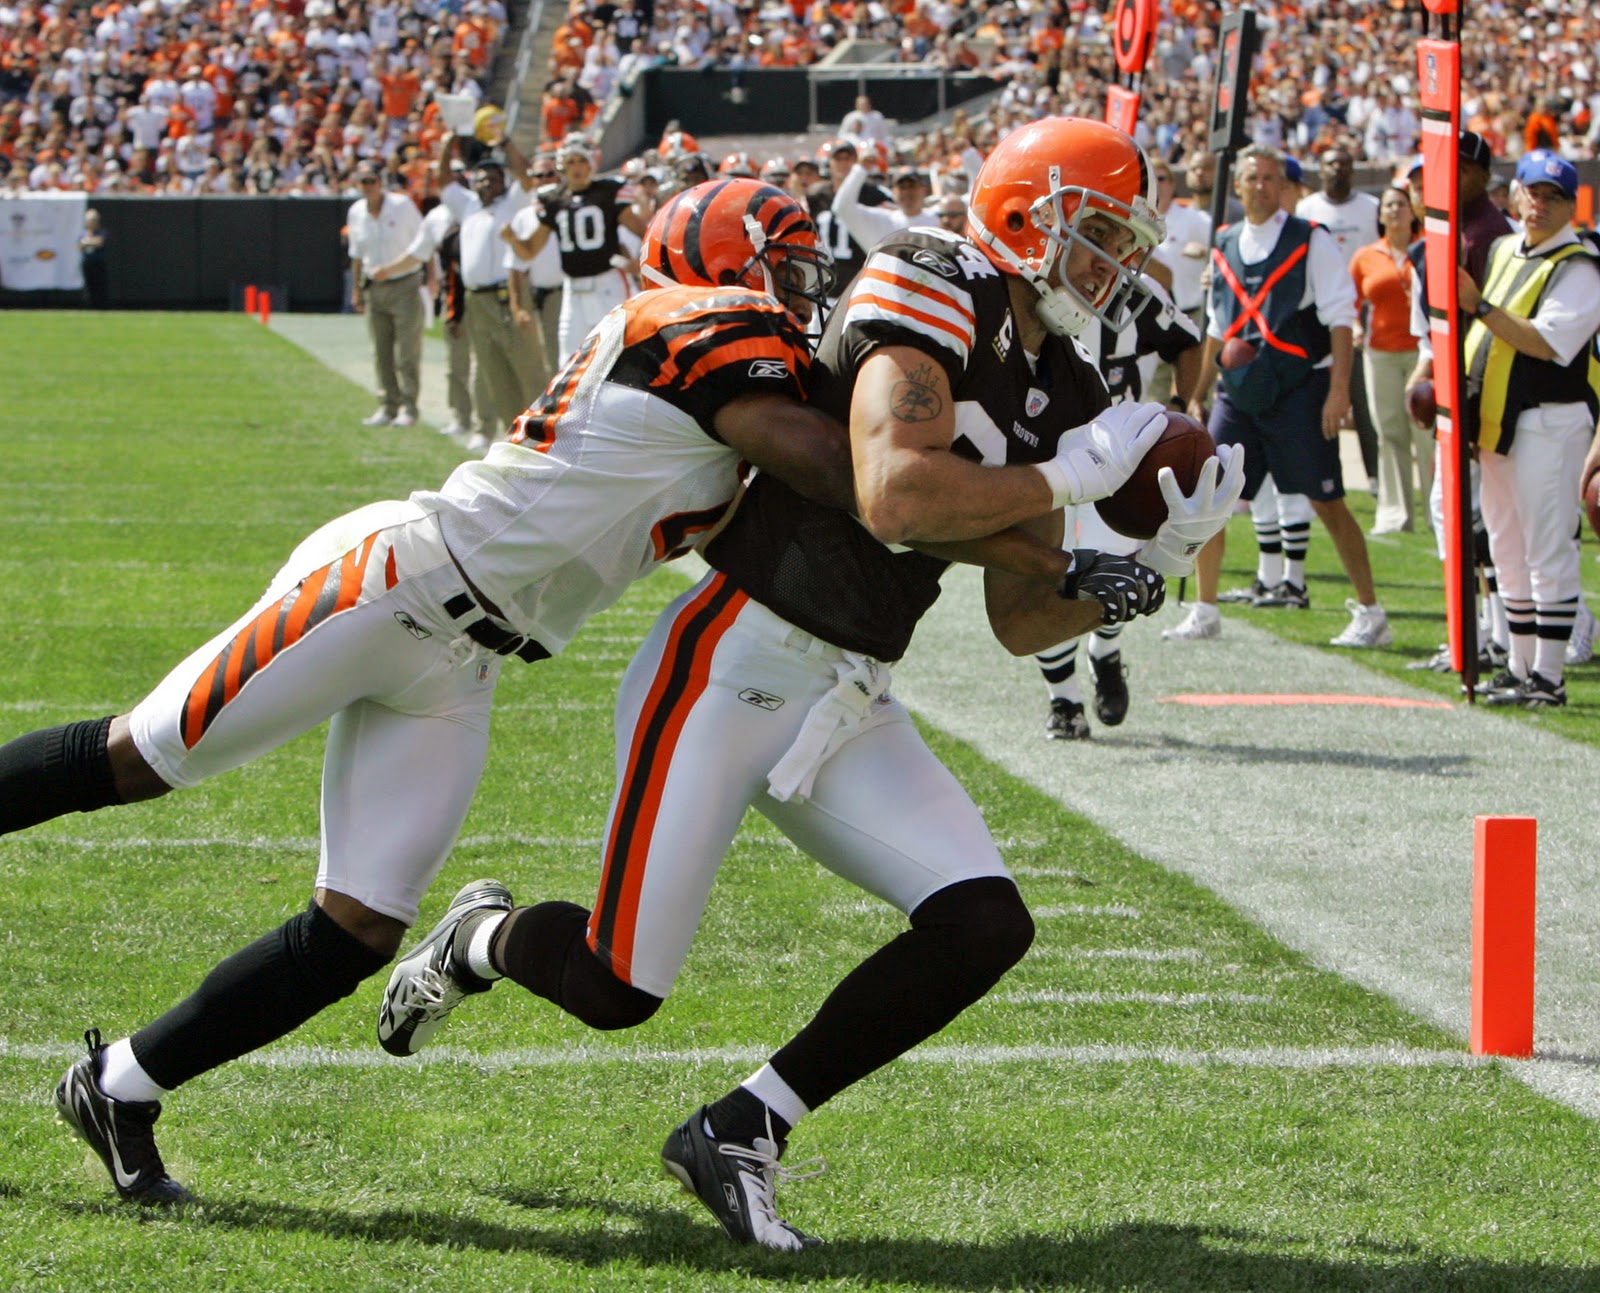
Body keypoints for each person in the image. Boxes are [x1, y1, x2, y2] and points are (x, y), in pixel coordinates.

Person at [376, 118, 1243, 1250]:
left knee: (982, 922)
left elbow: (1022, 621)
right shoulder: (931, 280)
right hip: (733, 658)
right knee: (615, 987)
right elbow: (892, 493)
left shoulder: (1065, 381)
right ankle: (479, 938)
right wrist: (1075, 476)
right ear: (1028, 213)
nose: (1118, 263)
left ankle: (742, 1127)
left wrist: (1153, 560)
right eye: (1103, 233)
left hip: (850, 689)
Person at [17, 179, 863, 1208]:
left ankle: (118, 1089)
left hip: (467, 659)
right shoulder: (693, 320)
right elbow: (836, 468)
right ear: (725, 264)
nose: (802, 289)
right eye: (786, 264)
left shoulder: (727, 392)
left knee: (357, 927)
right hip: (390, 585)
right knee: (140, 758)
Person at [1165, 144, 1390, 648]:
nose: (1262, 186)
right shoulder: (1225, 241)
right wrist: (1197, 393)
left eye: (1271, 178)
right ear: (1238, 186)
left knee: (1327, 500)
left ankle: (1372, 613)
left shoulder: (1311, 239)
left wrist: (1338, 391)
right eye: (1253, 178)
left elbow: (1340, 318)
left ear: (1286, 187)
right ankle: (1205, 610)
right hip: (1238, 392)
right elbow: (1218, 328)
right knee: (1209, 495)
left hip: (1299, 389)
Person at [1459, 150, 1600, 707]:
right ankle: (1519, 665)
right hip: (1497, 419)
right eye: (1532, 192)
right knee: (1505, 545)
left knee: (1547, 547)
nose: (1539, 204)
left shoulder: (1579, 265)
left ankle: (1549, 675)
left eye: (1553, 196)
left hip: (1550, 418)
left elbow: (1547, 343)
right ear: (1516, 193)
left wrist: (1480, 308)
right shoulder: (1504, 249)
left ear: (1571, 205)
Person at [1038, 272, 1205, 739]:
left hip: (1117, 465)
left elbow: (1188, 342)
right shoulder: (1030, 283)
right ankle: (1064, 699)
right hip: (1042, 456)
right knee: (1044, 578)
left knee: (1115, 573)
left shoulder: (1137, 291)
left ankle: (1105, 651)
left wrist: (1180, 407)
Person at [375, 137, 543, 453]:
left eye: (493, 179)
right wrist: (450, 141)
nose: (487, 184)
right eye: (481, 179)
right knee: (491, 368)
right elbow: (444, 181)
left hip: (508, 294)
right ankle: (511, 436)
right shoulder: (468, 207)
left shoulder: (513, 203)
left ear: (503, 182)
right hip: (475, 297)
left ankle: (542, 432)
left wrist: (506, 143)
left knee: (526, 366)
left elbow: (524, 175)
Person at [504, 137, 647, 366]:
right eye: (571, 161)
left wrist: (640, 263)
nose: (576, 167)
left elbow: (645, 232)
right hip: (573, 289)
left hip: (608, 282)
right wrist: (512, 239)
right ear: (562, 166)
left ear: (592, 164)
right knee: (569, 360)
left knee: (621, 351)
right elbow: (530, 252)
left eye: (582, 160)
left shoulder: (609, 192)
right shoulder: (553, 199)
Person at [1297, 145, 1382, 491]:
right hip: (1316, 313)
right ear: (1320, 170)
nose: (1338, 169)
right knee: (1316, 394)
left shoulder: (1371, 208)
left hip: (1360, 312)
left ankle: (1374, 476)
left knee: (1362, 397)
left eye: (1344, 163)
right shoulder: (1307, 209)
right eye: (1331, 163)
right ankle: (1319, 474)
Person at [1350, 186, 1424, 534]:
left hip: (1424, 353)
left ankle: (1438, 514)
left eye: (1401, 204)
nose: (1395, 210)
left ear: (1412, 211)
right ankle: (1396, 514)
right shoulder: (1365, 256)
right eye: (1388, 205)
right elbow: (1349, 301)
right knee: (1389, 431)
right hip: (1380, 352)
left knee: (1426, 433)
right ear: (1380, 215)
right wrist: (1355, 327)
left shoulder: (1427, 249)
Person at [347, 159, 425, 428]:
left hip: (405, 283)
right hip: (374, 287)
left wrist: (430, 275)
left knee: (406, 352)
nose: (368, 187)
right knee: (381, 352)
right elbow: (357, 255)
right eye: (363, 182)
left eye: (372, 181)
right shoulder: (356, 212)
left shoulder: (402, 206)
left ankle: (409, 407)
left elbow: (423, 242)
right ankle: (388, 405)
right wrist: (356, 289)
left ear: (381, 182)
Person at [79, 207, 109, 308]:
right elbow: (79, 245)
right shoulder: (83, 233)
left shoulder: (102, 232)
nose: (91, 223)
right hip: (87, 263)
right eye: (90, 221)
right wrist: (90, 241)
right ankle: (89, 306)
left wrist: (87, 242)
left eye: (93, 221)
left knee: (100, 285)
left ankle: (101, 305)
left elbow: (99, 242)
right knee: (88, 286)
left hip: (98, 263)